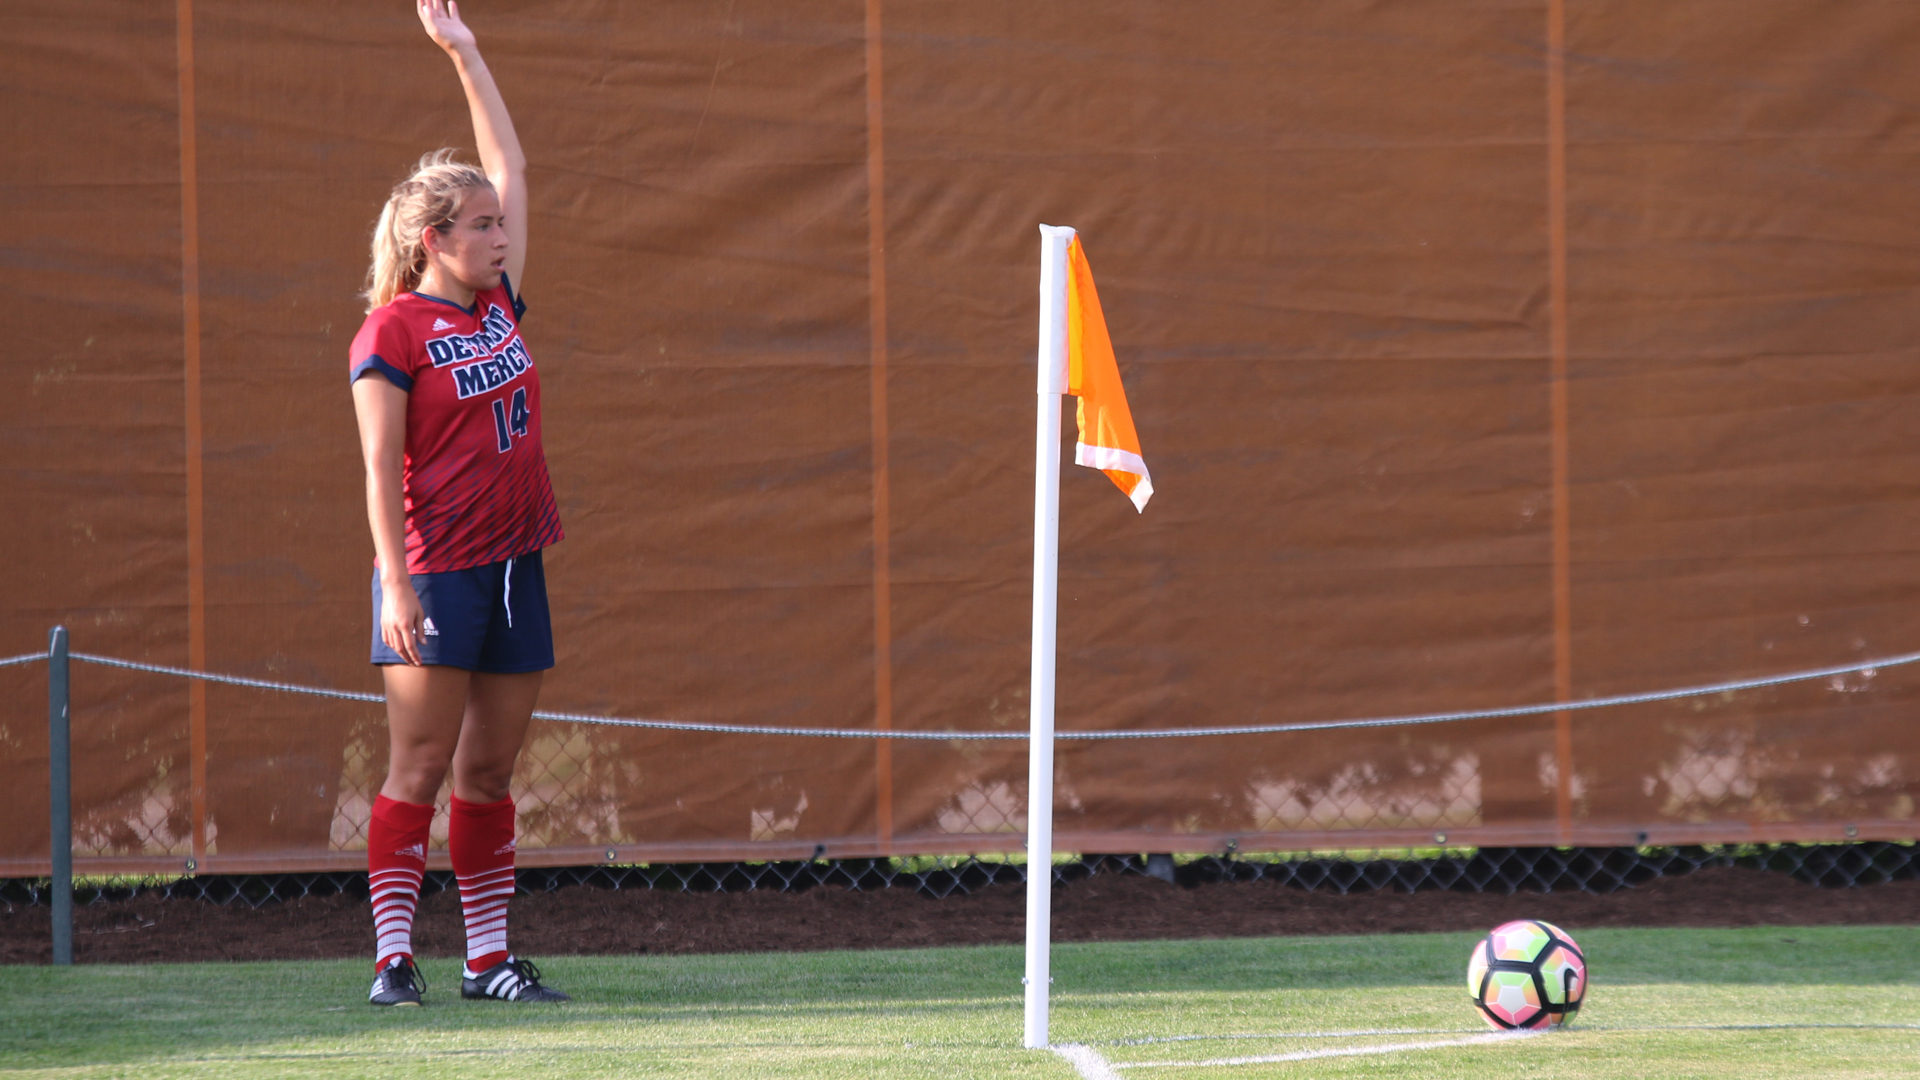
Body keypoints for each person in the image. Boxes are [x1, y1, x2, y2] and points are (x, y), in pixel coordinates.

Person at [348, 0, 567, 1007]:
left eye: (498, 223)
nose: (500, 235)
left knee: (488, 773)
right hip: (435, 567)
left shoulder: (497, 306)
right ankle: (393, 959)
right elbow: (377, 466)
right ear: (434, 240)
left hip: (517, 561)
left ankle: (488, 962)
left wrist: (467, 55)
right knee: (421, 763)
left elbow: (512, 168)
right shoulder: (392, 331)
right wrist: (395, 585)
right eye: (482, 226)